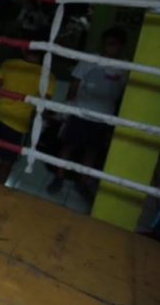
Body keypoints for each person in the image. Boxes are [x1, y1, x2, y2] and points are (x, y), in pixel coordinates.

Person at [47, 27, 128, 200]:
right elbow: (74, 84)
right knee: (69, 145)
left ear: (121, 46)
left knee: (92, 151)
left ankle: (83, 182)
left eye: (114, 45)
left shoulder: (125, 67)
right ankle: (59, 176)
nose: (110, 47)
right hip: (80, 111)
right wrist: (67, 108)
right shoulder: (90, 60)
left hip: (104, 116)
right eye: (108, 44)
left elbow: (123, 94)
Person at [0, 42, 56, 185]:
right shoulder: (48, 75)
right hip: (19, 124)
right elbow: (42, 108)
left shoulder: (8, 64)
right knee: (7, 160)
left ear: (24, 50)